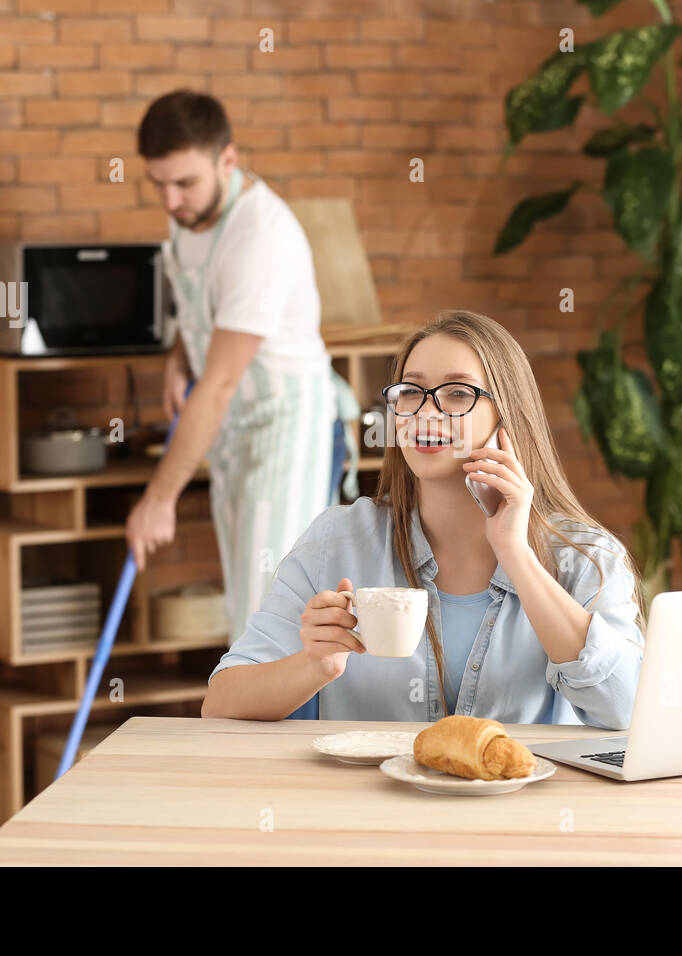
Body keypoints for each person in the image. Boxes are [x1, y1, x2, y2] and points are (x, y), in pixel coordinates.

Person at [202, 309, 646, 729]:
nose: (425, 413)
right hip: (370, 809)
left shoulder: (586, 558)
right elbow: (221, 704)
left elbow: (629, 712)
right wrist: (312, 665)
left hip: (522, 810)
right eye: (411, 393)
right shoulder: (337, 542)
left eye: (458, 393)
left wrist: (516, 553)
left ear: (507, 416)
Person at [126, 90, 358, 647]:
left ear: (227, 160)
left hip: (286, 429)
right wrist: (179, 357)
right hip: (234, 425)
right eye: (157, 183)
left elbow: (222, 380)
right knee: (247, 611)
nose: (170, 199)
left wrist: (159, 500)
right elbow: (202, 305)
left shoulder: (259, 236)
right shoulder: (190, 216)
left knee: (273, 615)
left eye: (184, 183)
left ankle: (282, 737)